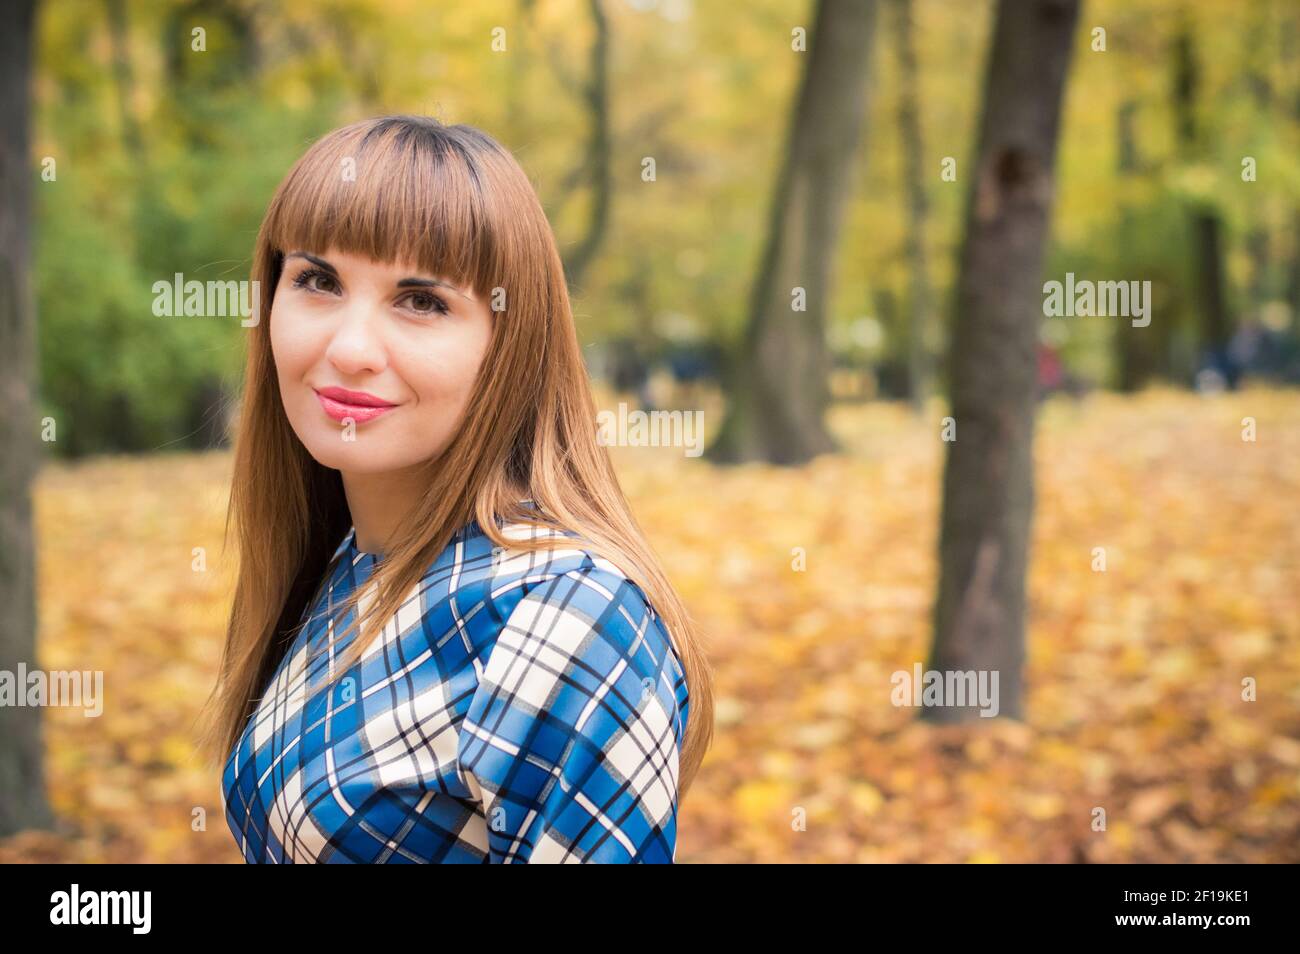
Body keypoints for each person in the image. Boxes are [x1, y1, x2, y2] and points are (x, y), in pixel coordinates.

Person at [197, 115, 713, 863]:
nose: (349, 348)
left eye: (422, 301)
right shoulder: (349, 561)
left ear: (509, 345)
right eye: (317, 280)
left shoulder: (564, 616)